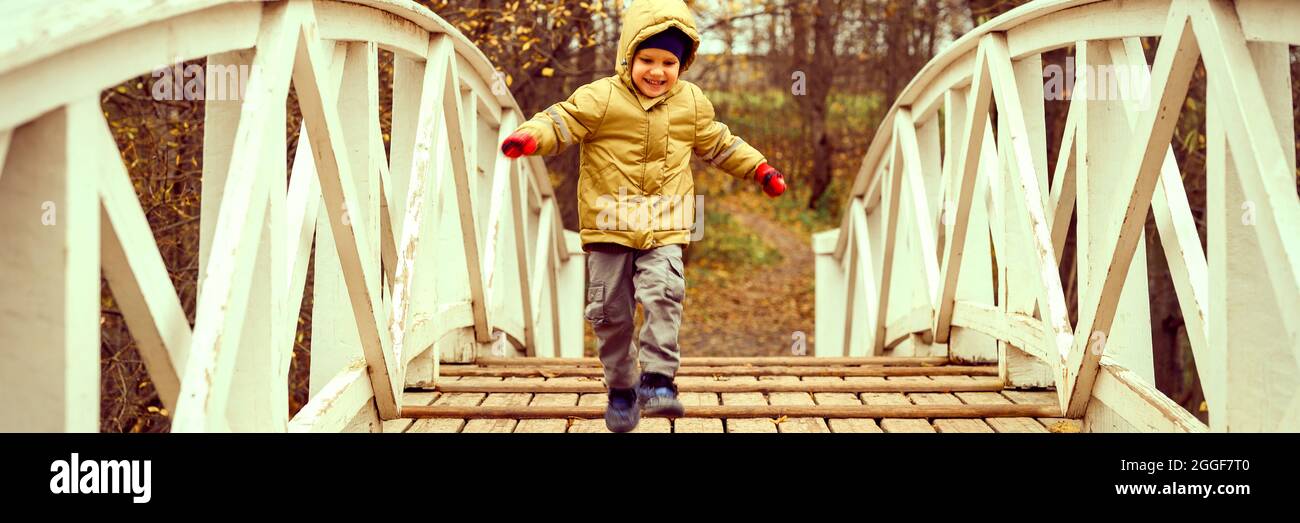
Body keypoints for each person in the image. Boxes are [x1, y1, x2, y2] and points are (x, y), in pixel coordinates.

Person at [500, 0, 786, 432]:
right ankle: (621, 389)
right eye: (647, 60)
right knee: (610, 314)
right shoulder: (600, 97)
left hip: (665, 225)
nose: (657, 71)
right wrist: (530, 136)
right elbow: (561, 122)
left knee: (663, 292)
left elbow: (721, 145)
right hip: (609, 224)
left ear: (682, 63)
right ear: (628, 58)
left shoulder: (691, 103)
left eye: (669, 62)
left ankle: (658, 381)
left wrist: (760, 169)